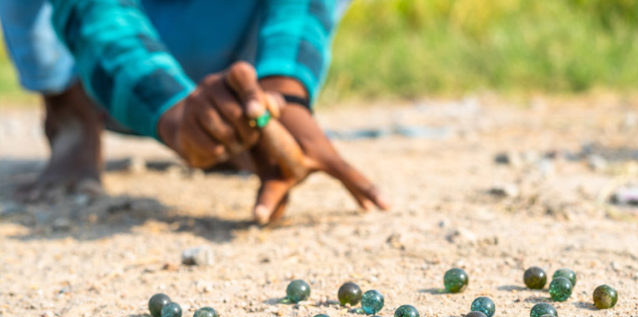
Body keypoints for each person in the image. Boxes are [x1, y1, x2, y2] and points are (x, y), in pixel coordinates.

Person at [0, 0, 389, 223]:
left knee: (245, 110)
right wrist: (171, 110)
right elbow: (94, 12)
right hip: (95, 72)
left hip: (236, 60)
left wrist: (285, 92)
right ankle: (70, 114)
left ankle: (235, 122)